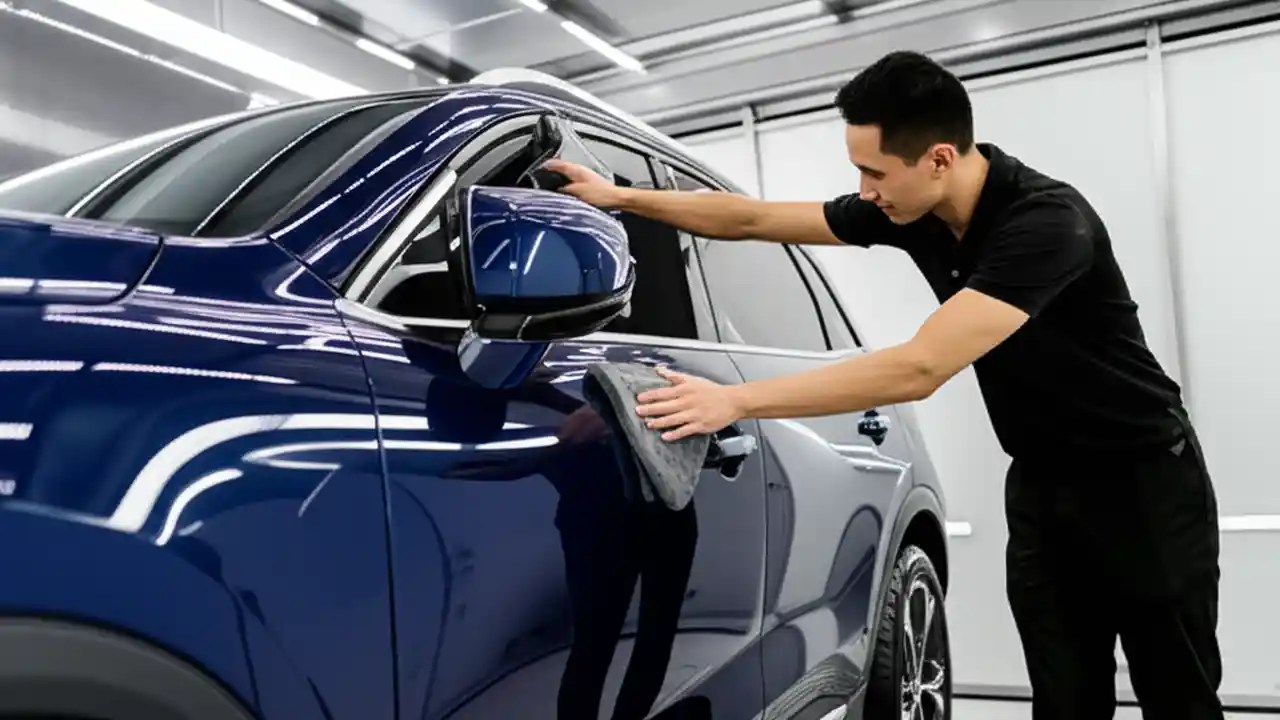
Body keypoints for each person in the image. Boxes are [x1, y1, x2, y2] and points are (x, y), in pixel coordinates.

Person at [543, 50, 1223, 720]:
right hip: (1043, 487)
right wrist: (620, 197)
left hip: (1143, 483)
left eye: (875, 172)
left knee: (1177, 696)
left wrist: (735, 400)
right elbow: (753, 219)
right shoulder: (912, 209)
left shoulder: (1047, 224)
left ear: (939, 160)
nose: (865, 191)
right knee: (1065, 699)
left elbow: (919, 368)